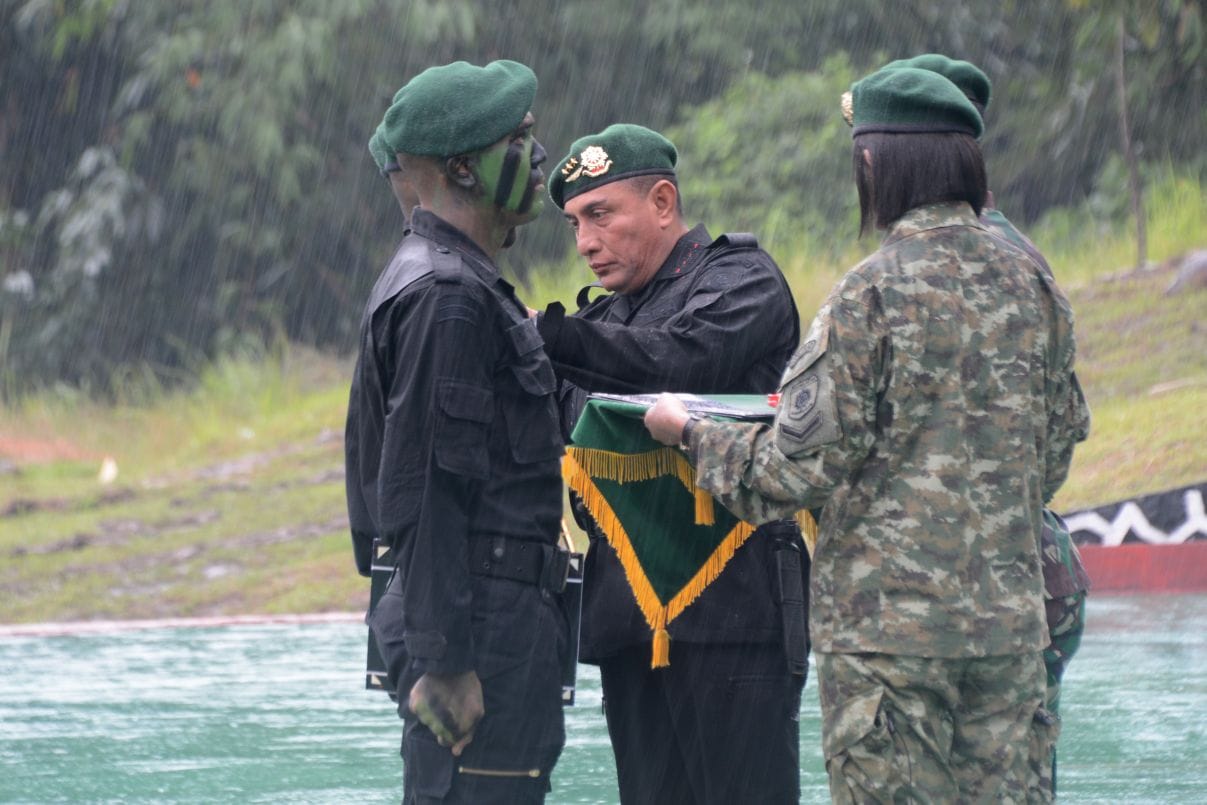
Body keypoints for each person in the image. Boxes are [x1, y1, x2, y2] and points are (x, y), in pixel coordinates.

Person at [645, 66, 1091, 803]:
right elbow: (1054, 451)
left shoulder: (869, 293)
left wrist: (689, 432)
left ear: (875, 165)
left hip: (890, 651)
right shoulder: (1033, 285)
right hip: (1007, 638)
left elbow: (787, 473)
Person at [538, 123, 808, 804]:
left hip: (734, 616)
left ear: (662, 202)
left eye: (600, 214)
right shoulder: (598, 319)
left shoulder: (740, 280)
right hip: (627, 617)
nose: (585, 242)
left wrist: (543, 336)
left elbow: (674, 363)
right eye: (574, 223)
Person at [344, 59, 570, 804]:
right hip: (480, 627)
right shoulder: (448, 296)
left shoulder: (449, 280)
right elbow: (425, 488)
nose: (539, 157)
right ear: (463, 169)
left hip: (487, 617)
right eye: (519, 137)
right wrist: (444, 659)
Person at [881, 53, 1094, 794]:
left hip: (985, 582)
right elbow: (1061, 426)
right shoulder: (1012, 252)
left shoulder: (967, 258)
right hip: (1030, 568)